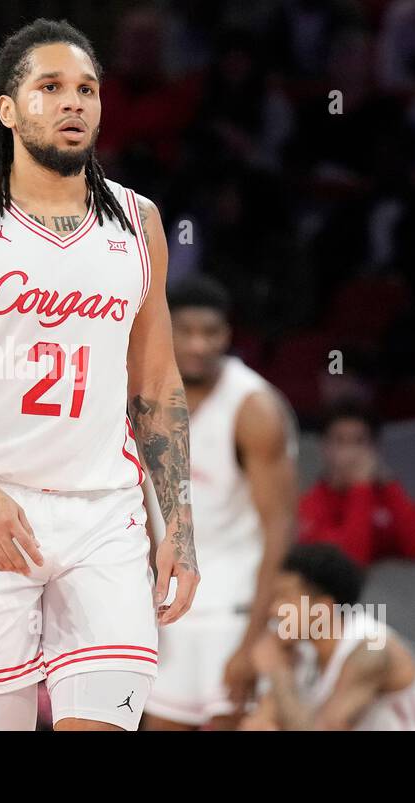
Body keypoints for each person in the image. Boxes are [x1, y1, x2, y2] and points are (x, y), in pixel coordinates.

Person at [0, 18, 197, 731]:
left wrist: (178, 521)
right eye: (51, 87)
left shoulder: (138, 219)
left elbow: (155, 383)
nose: (74, 103)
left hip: (106, 517)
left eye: (87, 89)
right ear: (8, 107)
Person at [142, 277, 299, 731]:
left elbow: (280, 530)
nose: (198, 344)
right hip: (169, 609)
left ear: (228, 335)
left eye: (211, 333)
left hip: (233, 610)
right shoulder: (144, 393)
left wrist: (255, 638)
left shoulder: (254, 408)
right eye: (186, 331)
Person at [239, 543, 415, 730]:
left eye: (285, 599)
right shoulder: (302, 651)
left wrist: (277, 671)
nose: (273, 610)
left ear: (323, 609)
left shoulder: (373, 650)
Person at [297, 401, 415, 566]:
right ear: (325, 447)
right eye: (340, 441)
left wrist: (389, 484)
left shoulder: (387, 493)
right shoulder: (310, 506)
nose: (350, 452)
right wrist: (361, 487)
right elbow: (349, 562)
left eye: (359, 442)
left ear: (374, 448)